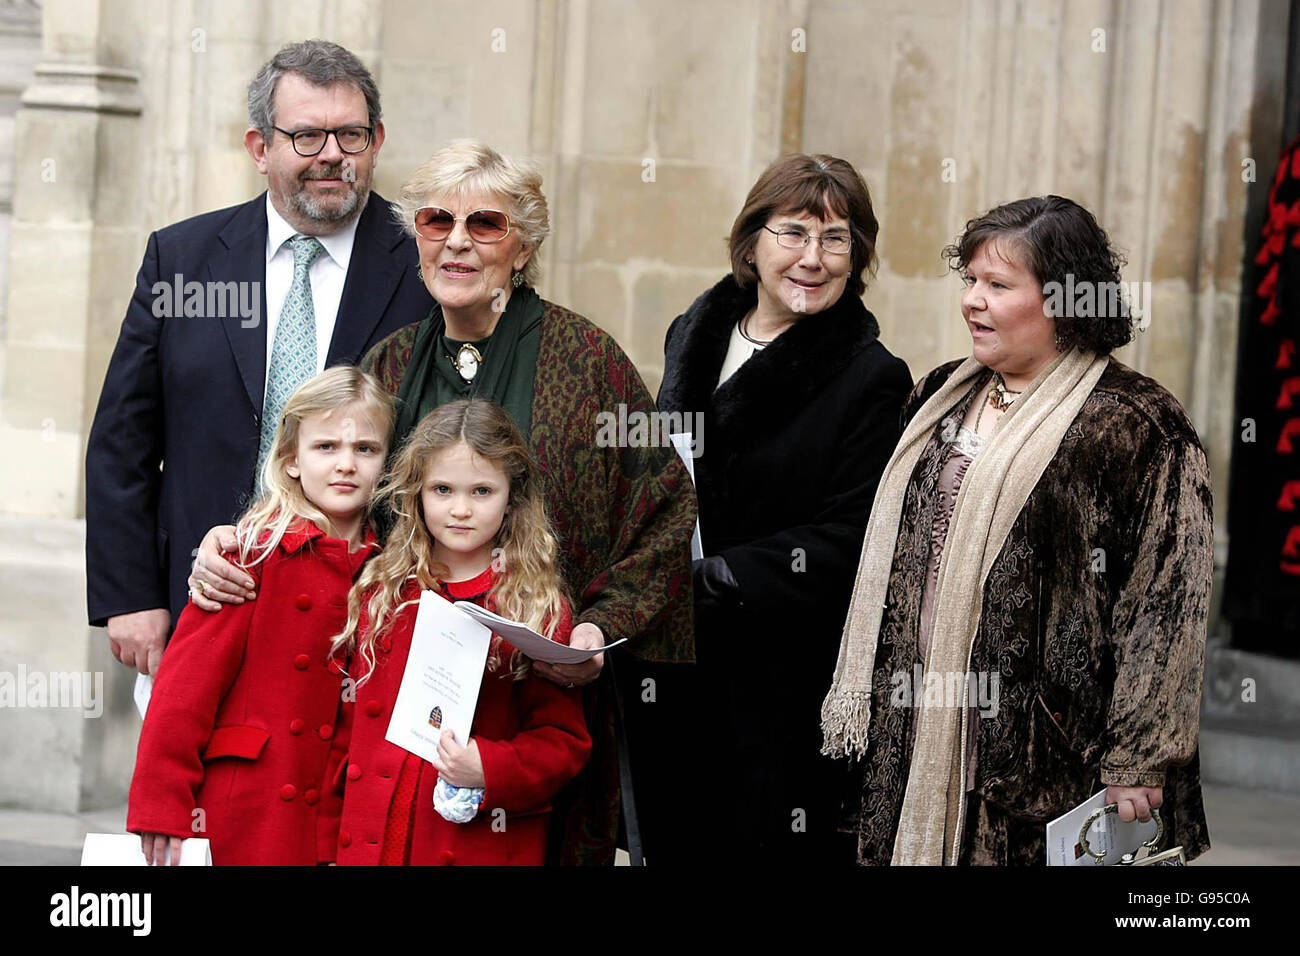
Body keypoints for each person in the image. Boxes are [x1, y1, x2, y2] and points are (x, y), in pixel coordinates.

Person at [187, 140, 695, 865]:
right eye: (435, 222)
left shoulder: (590, 363)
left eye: (484, 225)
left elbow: (668, 508)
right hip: (385, 706)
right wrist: (233, 542)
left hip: (527, 707)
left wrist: (596, 631)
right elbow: (323, 493)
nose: (457, 242)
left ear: (522, 248)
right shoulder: (387, 363)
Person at [821, 196, 1213, 865]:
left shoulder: (1135, 422)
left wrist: (1140, 755)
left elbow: (1167, 604)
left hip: (1045, 756)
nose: (973, 300)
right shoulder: (940, 392)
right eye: (970, 280)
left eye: (998, 285)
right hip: (914, 734)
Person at [85, 39, 432, 677]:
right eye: (306, 136)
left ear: (376, 140)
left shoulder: (426, 267)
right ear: (259, 148)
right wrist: (131, 595)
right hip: (201, 604)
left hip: (364, 622)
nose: (331, 155)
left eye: (350, 136)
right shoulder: (183, 259)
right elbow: (123, 440)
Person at [651, 153, 912, 864]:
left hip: (777, 685)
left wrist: (723, 575)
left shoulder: (871, 377)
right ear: (752, 242)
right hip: (674, 669)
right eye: (794, 232)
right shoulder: (692, 333)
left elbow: (853, 534)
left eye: (837, 239)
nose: (814, 258)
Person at [127, 366, 393, 865]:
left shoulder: (393, 571)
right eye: (326, 447)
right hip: (245, 809)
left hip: (338, 821)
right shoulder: (250, 555)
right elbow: (184, 693)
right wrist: (161, 805)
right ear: (292, 459)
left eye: (365, 449)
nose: (346, 465)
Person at [330, 399, 592, 865]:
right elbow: (344, 730)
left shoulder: (533, 607)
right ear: (417, 493)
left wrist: (487, 767)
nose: (461, 510)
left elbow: (561, 741)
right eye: (443, 489)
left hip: (471, 847)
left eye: (482, 491)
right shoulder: (384, 589)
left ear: (512, 496)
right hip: (371, 843)